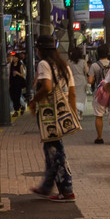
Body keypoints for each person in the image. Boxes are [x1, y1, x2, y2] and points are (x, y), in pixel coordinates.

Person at [29, 34, 77, 200]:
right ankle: (49, 186)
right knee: (53, 148)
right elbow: (72, 92)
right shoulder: (64, 66)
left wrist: (34, 100)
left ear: (41, 50)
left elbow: (47, 87)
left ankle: (66, 189)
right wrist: (73, 114)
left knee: (55, 150)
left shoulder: (44, 64)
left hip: (49, 113)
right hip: (63, 112)